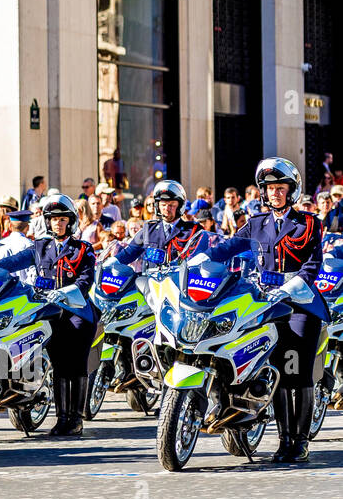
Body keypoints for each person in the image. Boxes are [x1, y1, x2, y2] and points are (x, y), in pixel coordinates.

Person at [205, 158, 326, 463]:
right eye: (270, 188)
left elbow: (312, 265)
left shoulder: (309, 223)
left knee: (297, 374)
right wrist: (200, 259)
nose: (275, 193)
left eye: (281, 188)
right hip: (265, 305)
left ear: (291, 191)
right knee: (277, 373)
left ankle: (300, 442)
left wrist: (291, 286)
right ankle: (283, 440)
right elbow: (229, 247)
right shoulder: (256, 223)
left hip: (299, 304)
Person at [0, 194, 96, 436]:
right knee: (59, 365)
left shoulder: (82, 248)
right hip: (50, 314)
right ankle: (62, 418)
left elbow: (86, 280)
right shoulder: (39, 246)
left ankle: (76, 419)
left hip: (77, 312)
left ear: (70, 222)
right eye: (53, 219)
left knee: (76, 365)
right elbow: (12, 262)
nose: (58, 223)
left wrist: (64, 292)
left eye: (62, 219)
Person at [110, 181, 202, 269]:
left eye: (172, 205)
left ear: (180, 206)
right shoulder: (148, 229)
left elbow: (203, 256)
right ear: (158, 207)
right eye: (163, 205)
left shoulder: (193, 230)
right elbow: (129, 253)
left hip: (179, 282)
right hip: (151, 282)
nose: (167, 208)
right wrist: (109, 263)